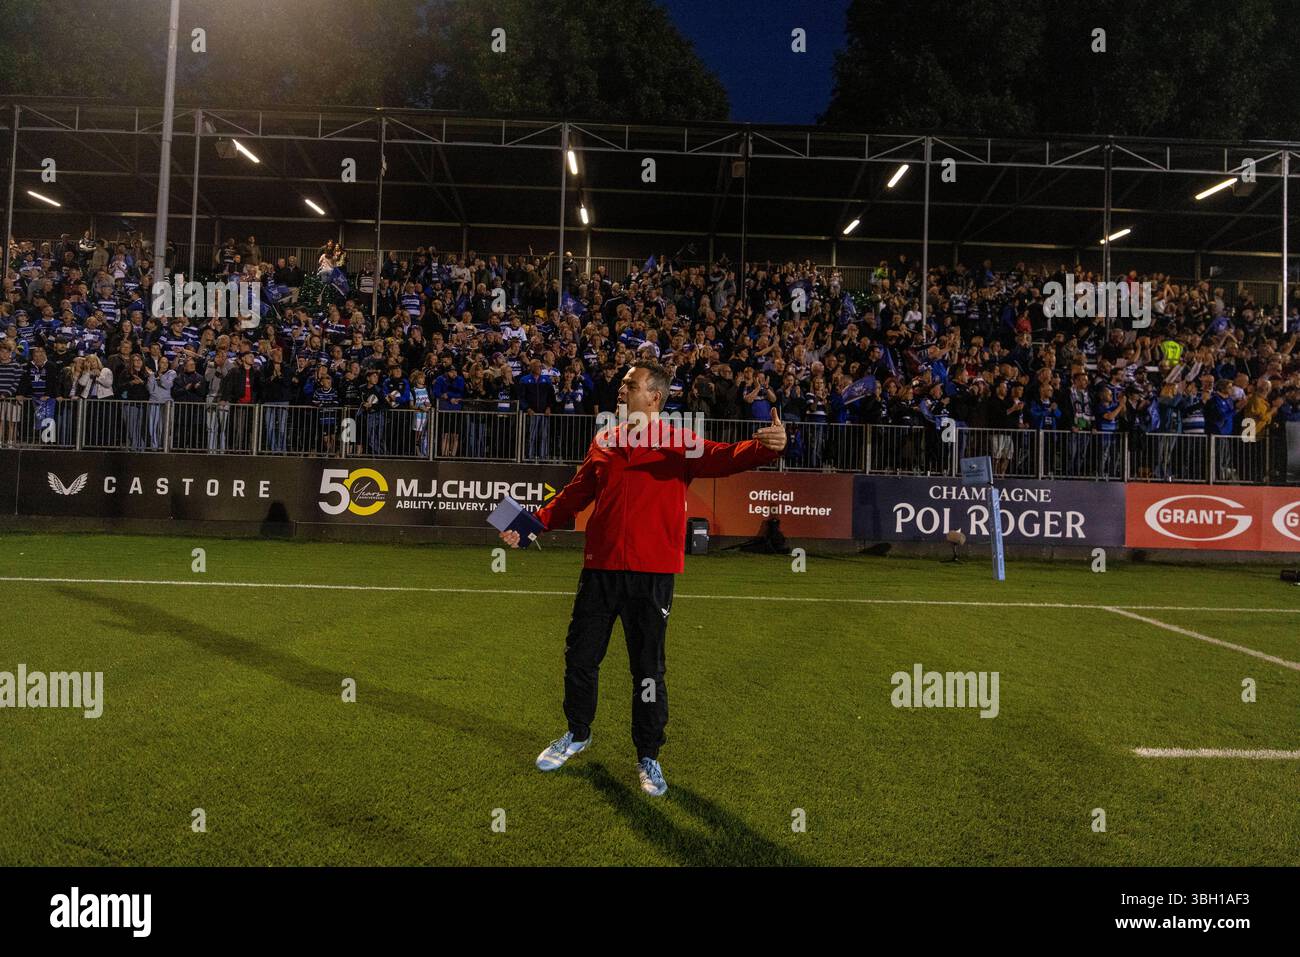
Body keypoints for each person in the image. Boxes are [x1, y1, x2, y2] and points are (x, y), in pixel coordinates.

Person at [498, 360, 787, 797]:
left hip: (652, 576)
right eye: (622, 383)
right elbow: (573, 497)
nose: (621, 389)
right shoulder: (604, 441)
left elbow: (726, 458)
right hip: (599, 571)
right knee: (580, 659)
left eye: (630, 384)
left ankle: (648, 756)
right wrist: (529, 525)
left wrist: (768, 448)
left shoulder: (679, 443)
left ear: (654, 397)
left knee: (647, 671)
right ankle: (577, 733)